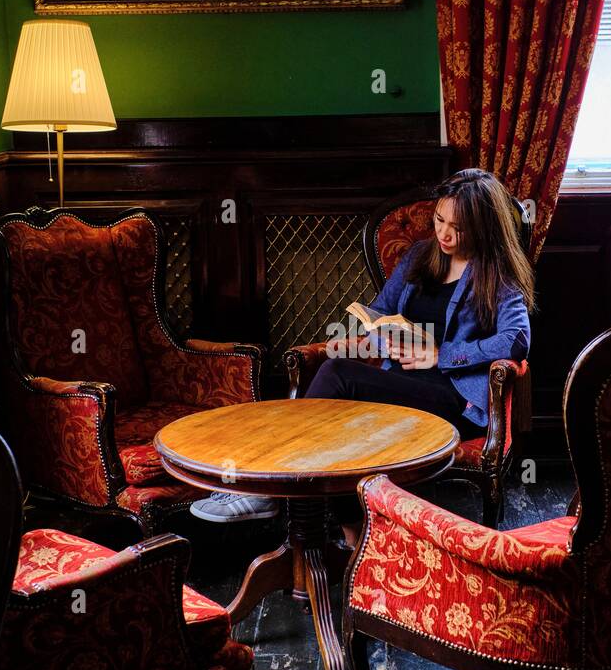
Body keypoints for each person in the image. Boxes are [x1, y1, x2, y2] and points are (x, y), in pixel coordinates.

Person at [191, 168, 535, 545]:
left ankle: (265, 490)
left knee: (337, 373)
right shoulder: (421, 256)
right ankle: (356, 539)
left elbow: (515, 340)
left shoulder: (497, 273)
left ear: (483, 227)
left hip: (453, 398)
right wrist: (381, 329)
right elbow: (381, 309)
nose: (445, 234)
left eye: (459, 227)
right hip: (399, 383)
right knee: (334, 430)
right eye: (439, 220)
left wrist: (440, 354)